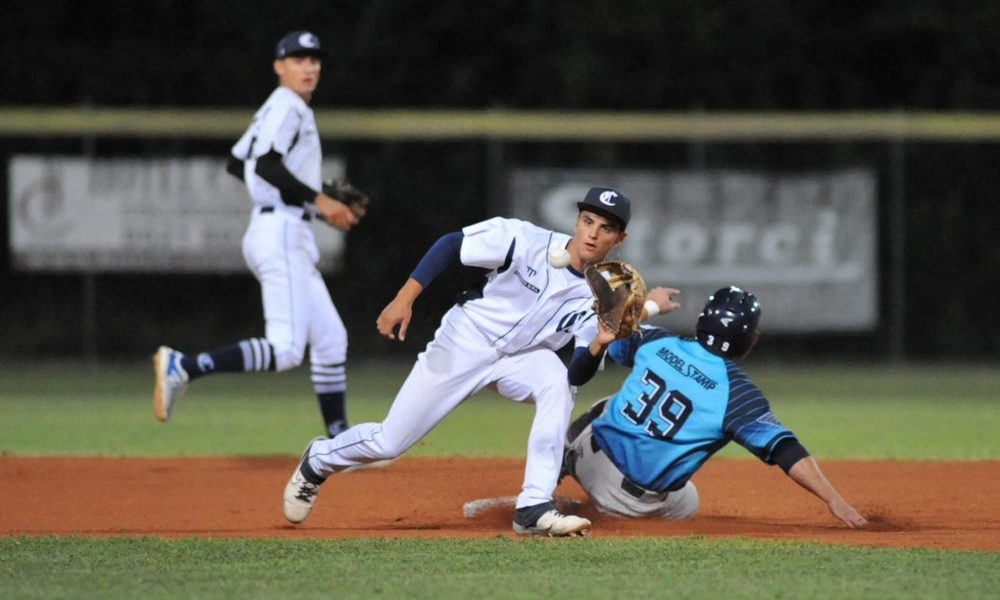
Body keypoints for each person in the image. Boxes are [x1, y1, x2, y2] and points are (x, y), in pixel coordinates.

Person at [281, 186, 680, 536]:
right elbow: (452, 245)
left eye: (605, 227)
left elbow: (579, 370)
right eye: (588, 220)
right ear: (577, 221)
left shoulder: (604, 296)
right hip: (466, 341)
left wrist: (597, 345)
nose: (593, 233)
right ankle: (319, 459)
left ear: (620, 237)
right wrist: (405, 298)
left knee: (558, 383)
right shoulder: (526, 240)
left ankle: (534, 508)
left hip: (522, 357)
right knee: (391, 442)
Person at [152, 31, 362, 439]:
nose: (309, 67)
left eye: (314, 60)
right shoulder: (290, 108)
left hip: (281, 227)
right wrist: (320, 200)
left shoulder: (274, 108)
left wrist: (319, 194)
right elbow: (264, 166)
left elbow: (238, 163)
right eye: (298, 59)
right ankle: (185, 367)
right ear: (279, 66)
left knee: (331, 339)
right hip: (281, 230)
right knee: (285, 349)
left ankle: (339, 439)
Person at [561, 286, 869, 528]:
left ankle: (563, 457)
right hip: (627, 505)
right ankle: (595, 512)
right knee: (688, 501)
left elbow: (612, 332)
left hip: (587, 457)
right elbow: (785, 449)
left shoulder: (657, 342)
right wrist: (834, 500)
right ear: (749, 338)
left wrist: (648, 307)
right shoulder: (737, 393)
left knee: (609, 404)